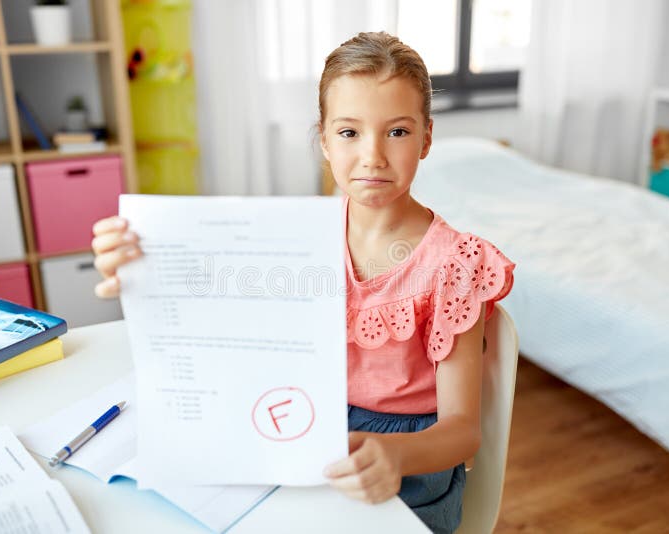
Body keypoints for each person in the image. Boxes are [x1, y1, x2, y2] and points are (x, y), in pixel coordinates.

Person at [91, 31, 514, 534]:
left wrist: (395, 454)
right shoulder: (292, 240)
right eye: (350, 132)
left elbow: (463, 432)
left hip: (406, 472)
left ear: (426, 137)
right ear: (324, 140)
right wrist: (142, 271)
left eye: (397, 132)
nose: (373, 156)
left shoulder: (455, 264)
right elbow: (221, 326)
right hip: (298, 434)